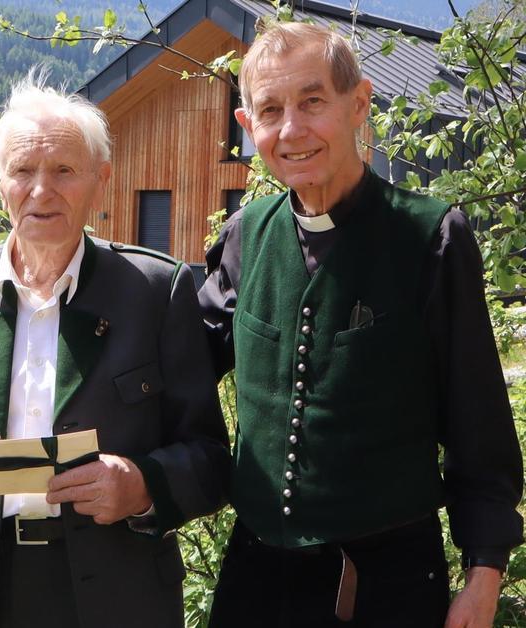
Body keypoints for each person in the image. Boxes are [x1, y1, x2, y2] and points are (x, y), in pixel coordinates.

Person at [0, 73, 230, 628]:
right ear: (0, 181)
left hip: (113, 598)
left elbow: (208, 456)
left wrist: (141, 486)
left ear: (100, 181)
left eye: (63, 170)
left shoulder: (156, 292)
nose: (42, 190)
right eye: (23, 171)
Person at [200, 21, 524, 628]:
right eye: (270, 110)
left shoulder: (431, 237)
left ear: (360, 104)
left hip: (388, 584)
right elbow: (175, 367)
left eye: (312, 101)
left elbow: (478, 425)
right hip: (255, 578)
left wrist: (483, 574)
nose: (292, 130)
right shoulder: (245, 235)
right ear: (248, 128)